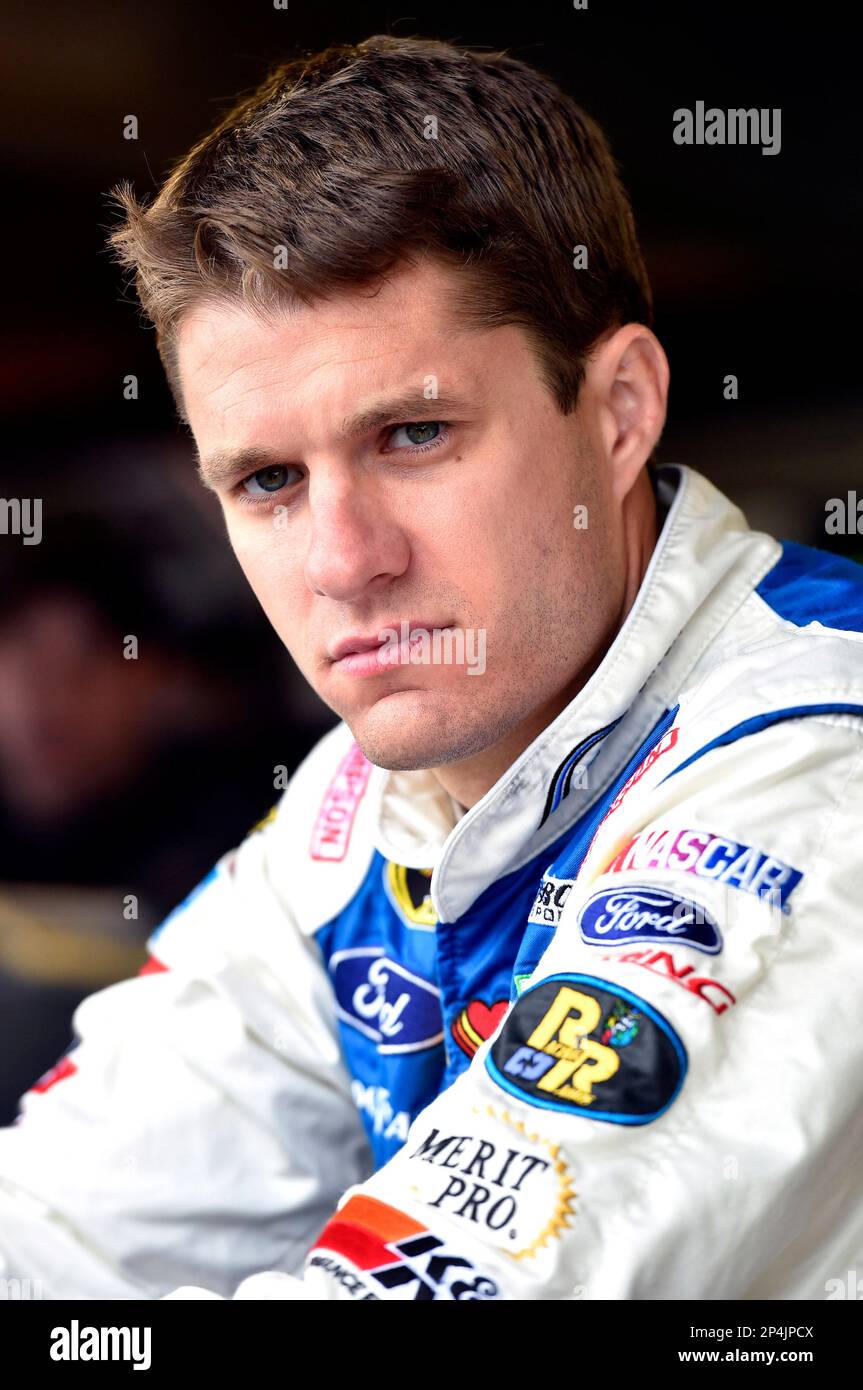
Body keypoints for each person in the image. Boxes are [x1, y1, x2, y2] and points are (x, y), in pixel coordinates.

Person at [1, 33, 861, 1303]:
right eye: (269, 481)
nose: (343, 562)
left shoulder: (811, 762)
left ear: (618, 409)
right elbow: (51, 1231)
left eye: (414, 434)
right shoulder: (357, 812)